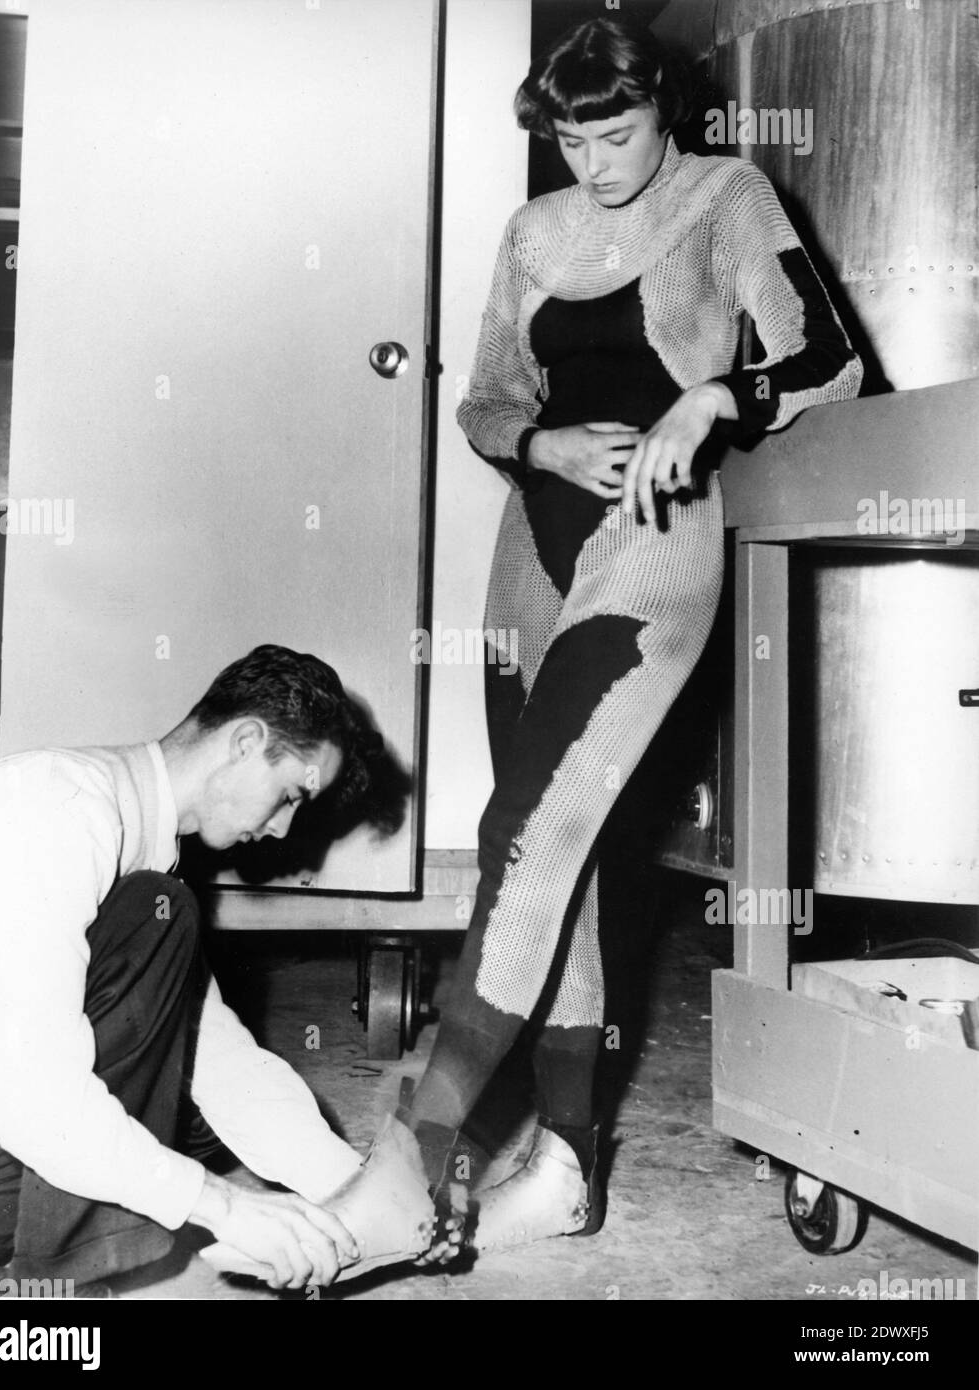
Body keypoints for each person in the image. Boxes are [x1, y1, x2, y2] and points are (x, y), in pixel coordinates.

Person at [353, 17, 863, 1253]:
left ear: (662, 112)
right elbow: (484, 398)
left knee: (526, 829)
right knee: (550, 856)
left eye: (615, 132)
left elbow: (830, 358)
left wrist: (709, 396)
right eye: (572, 139)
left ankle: (410, 1166)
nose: (593, 162)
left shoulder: (725, 194)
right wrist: (542, 444)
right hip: (530, 550)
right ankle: (568, 1167)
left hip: (654, 535)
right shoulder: (532, 234)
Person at [0, 643, 412, 1291]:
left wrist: (354, 1192)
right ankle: (105, 1273)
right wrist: (225, 1205)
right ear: (246, 741)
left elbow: (216, 1056)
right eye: (289, 795)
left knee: (189, 1106)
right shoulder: (59, 810)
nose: (283, 831)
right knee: (159, 917)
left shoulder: (139, 840)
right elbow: (28, 1093)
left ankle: (68, 1241)